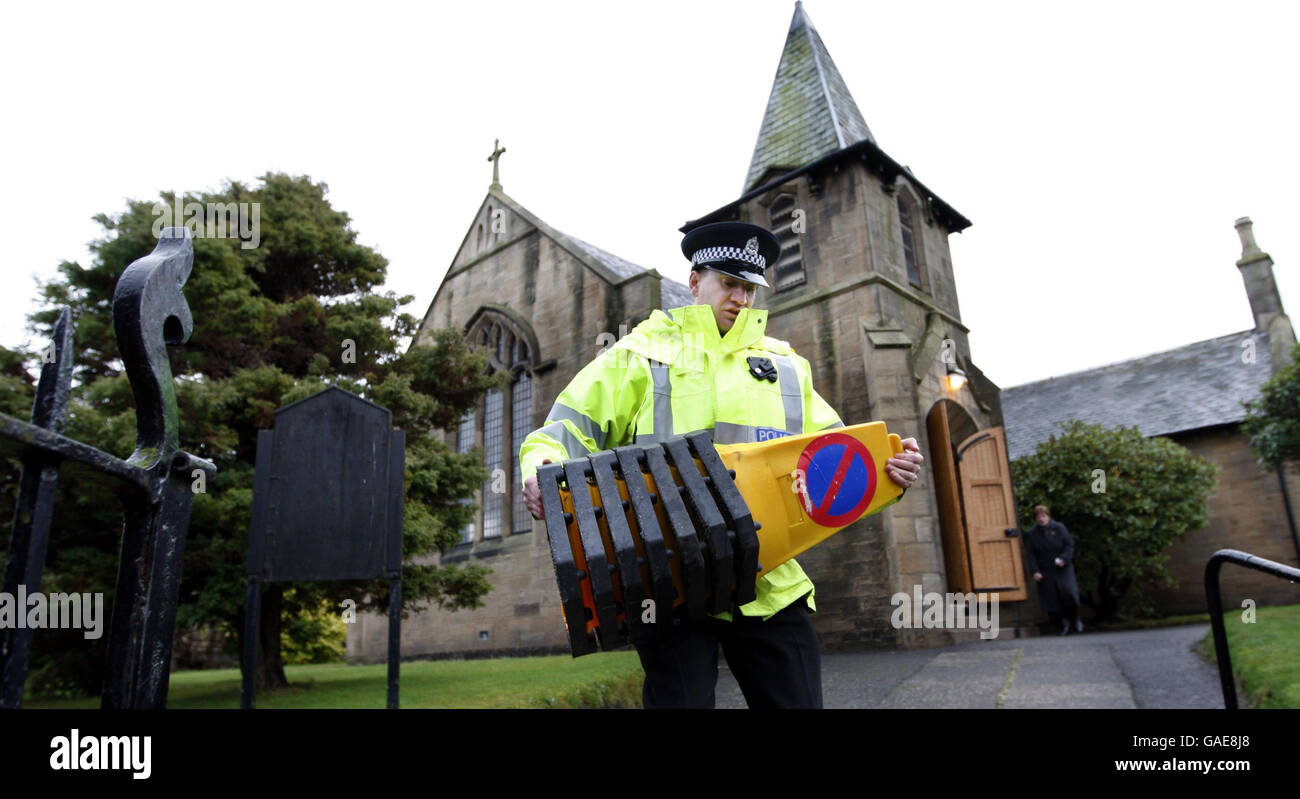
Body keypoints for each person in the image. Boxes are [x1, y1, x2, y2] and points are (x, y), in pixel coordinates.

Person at [519, 221, 924, 708]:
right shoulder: (639, 354)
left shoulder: (787, 366)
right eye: (729, 283)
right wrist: (541, 466)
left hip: (770, 576)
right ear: (695, 282)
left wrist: (889, 474)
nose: (741, 298)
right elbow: (564, 429)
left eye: (750, 287)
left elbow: (837, 461)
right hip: (672, 577)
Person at [1025, 504, 1082, 635]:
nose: (1041, 519)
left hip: (1062, 567)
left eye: (1043, 516)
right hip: (1045, 569)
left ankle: (1075, 619)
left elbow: (1069, 545)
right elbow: (1031, 554)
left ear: (1048, 516)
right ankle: (1063, 624)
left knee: (1069, 593)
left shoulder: (1059, 528)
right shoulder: (1033, 534)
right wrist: (1035, 571)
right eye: (1038, 517)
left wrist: (1064, 558)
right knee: (1052, 599)